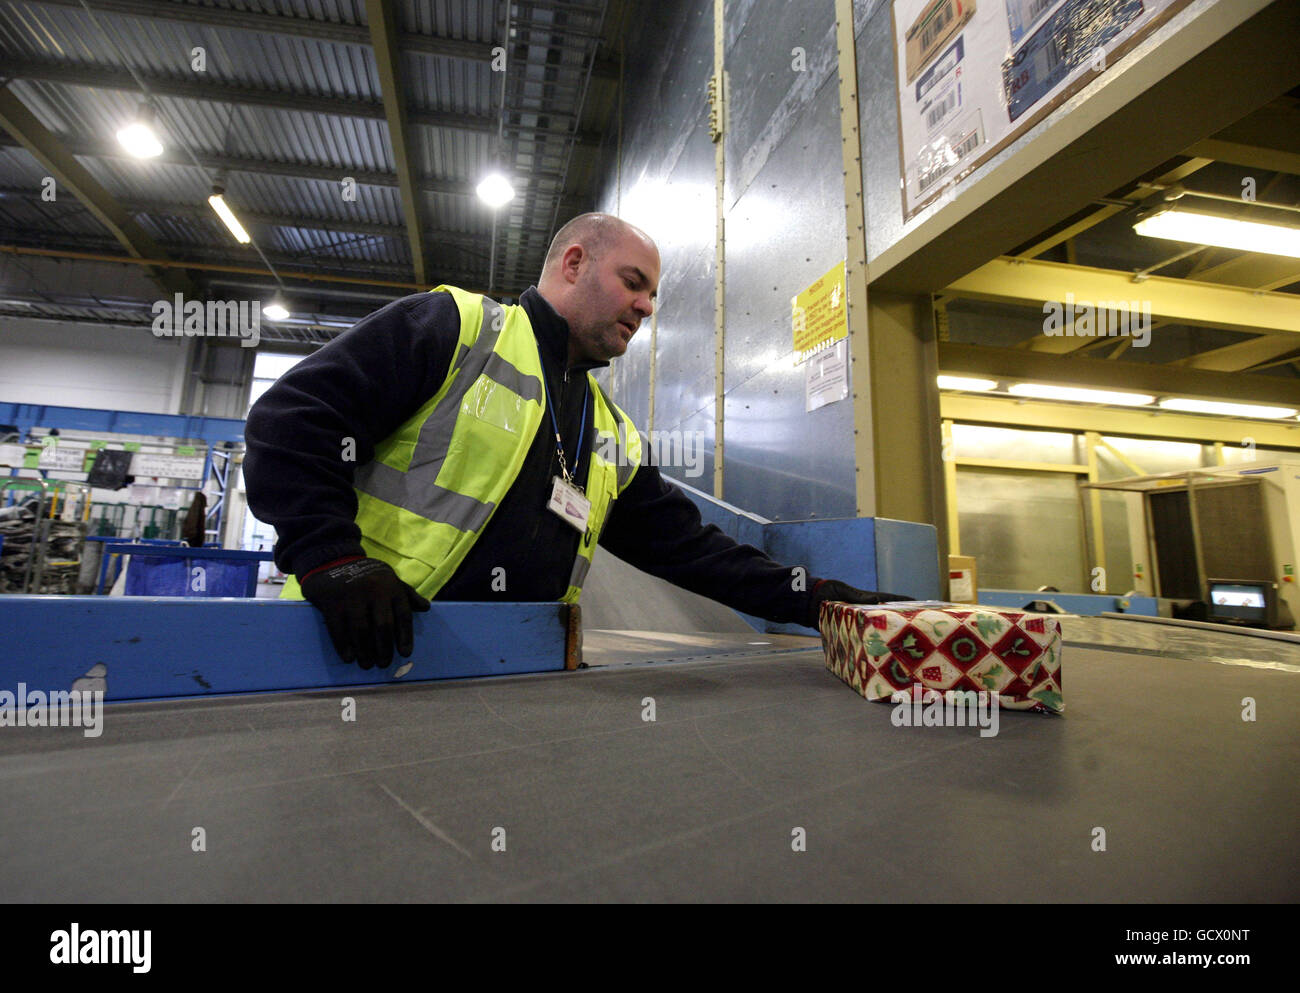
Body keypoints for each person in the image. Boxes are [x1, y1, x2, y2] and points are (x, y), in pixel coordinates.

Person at [243, 213, 905, 669]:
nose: (647, 307)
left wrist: (818, 597)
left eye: (652, 295)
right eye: (634, 283)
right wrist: (333, 558)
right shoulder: (456, 329)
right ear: (575, 261)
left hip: (519, 677)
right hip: (357, 655)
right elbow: (291, 419)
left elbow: (693, 551)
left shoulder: (608, 430)